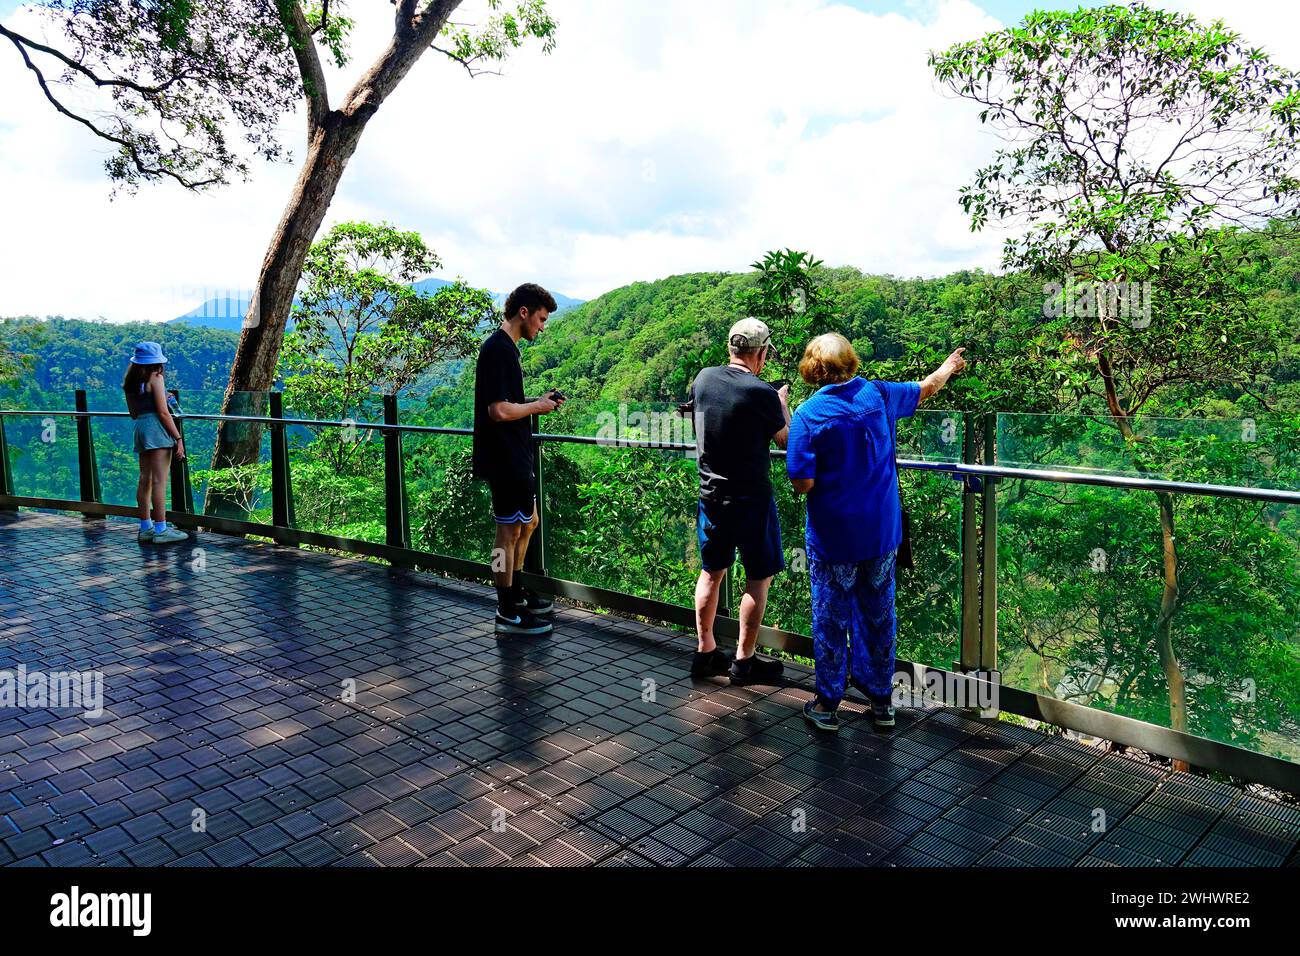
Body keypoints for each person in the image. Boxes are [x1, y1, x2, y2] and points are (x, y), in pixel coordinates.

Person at [786, 333, 966, 732]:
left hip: (835, 539)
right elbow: (926, 388)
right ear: (851, 360)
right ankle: (882, 701)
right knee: (879, 613)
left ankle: (828, 705)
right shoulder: (879, 395)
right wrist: (949, 366)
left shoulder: (807, 415)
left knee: (831, 618)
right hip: (881, 534)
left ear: (813, 368)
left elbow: (802, 483)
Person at [688, 318, 791, 684]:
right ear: (761, 354)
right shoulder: (761, 392)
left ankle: (705, 652)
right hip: (751, 499)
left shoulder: (703, 379)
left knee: (711, 572)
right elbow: (786, 442)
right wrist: (781, 405)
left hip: (711, 493)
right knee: (757, 578)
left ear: (731, 348)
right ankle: (743, 662)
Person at [473, 283, 565, 636]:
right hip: (504, 459)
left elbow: (508, 402)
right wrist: (537, 406)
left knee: (527, 524)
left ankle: (514, 591)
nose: (542, 327)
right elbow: (497, 411)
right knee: (507, 532)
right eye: (541, 319)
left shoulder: (508, 351)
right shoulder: (498, 350)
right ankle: (505, 608)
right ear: (523, 312)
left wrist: (536, 401)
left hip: (516, 456)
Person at [123, 342, 189, 545]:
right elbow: (162, 412)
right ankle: (161, 529)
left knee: (145, 479)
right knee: (160, 481)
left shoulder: (130, 382)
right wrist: (178, 438)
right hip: (157, 429)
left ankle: (146, 528)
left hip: (141, 428)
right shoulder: (156, 377)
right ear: (157, 361)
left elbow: (134, 413)